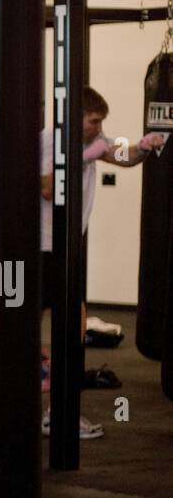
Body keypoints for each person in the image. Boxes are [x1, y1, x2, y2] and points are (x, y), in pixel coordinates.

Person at [38, 86, 165, 439]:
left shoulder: (93, 140)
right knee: (24, 329)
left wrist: (143, 146)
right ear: (76, 117)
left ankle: (58, 410)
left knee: (73, 326)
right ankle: (37, 410)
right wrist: (83, 156)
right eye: (93, 121)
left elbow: (118, 154)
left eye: (100, 123)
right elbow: (47, 188)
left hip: (66, 247)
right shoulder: (49, 140)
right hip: (40, 248)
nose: (98, 128)